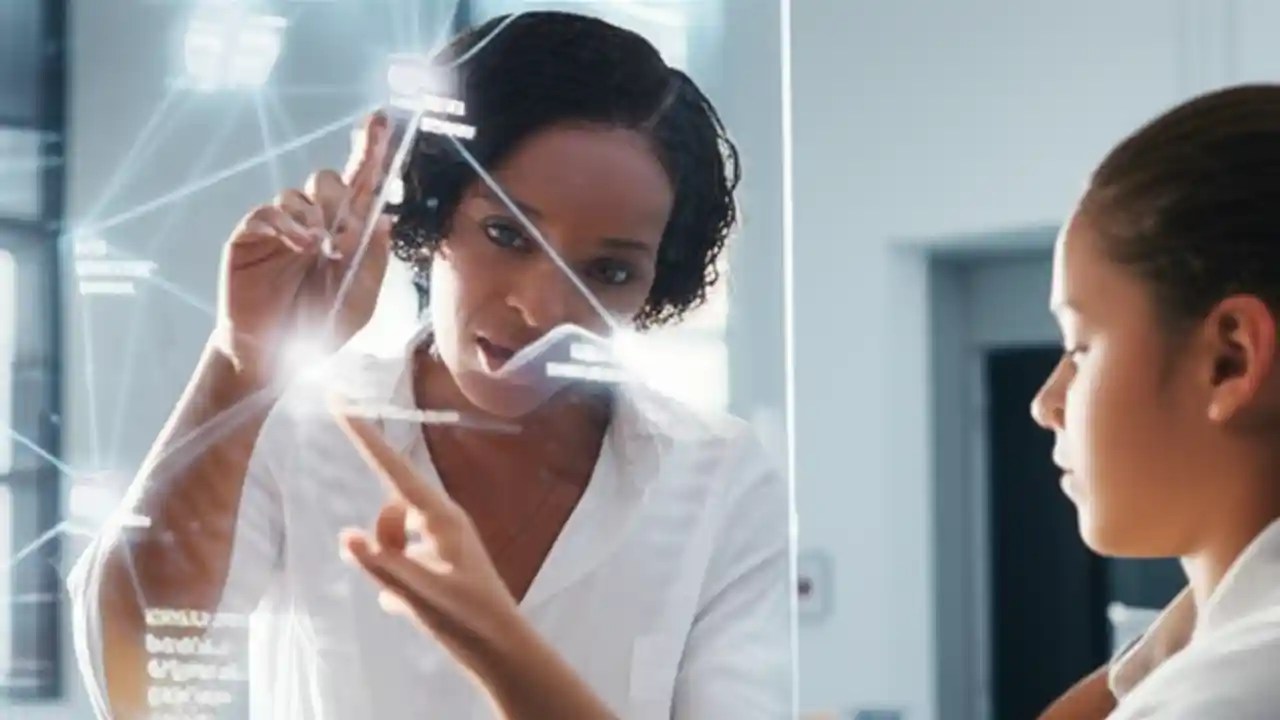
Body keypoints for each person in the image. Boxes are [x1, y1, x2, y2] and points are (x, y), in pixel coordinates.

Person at [68, 11, 792, 720]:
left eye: (608, 271)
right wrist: (243, 363)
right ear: (432, 215)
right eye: (506, 233)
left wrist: (492, 634)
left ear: (655, 283)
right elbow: (140, 696)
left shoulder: (716, 477)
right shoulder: (297, 431)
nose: (541, 310)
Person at [1031, 83, 1280, 718]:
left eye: (1080, 346)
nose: (1046, 403)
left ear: (1231, 359)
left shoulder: (1222, 697)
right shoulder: (1204, 657)